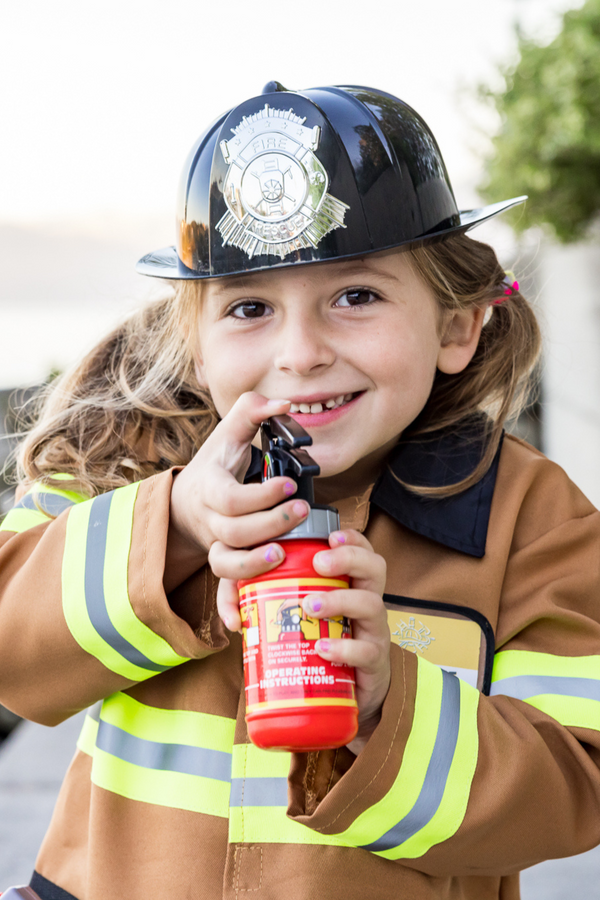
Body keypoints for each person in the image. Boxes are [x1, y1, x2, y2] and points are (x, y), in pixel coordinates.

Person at [0, 82, 599, 900]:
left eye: (356, 297)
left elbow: (576, 782)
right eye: (249, 308)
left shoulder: (531, 518)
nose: (302, 351)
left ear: (457, 325)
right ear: (198, 348)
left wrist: (394, 708)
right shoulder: (127, 464)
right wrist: (172, 531)